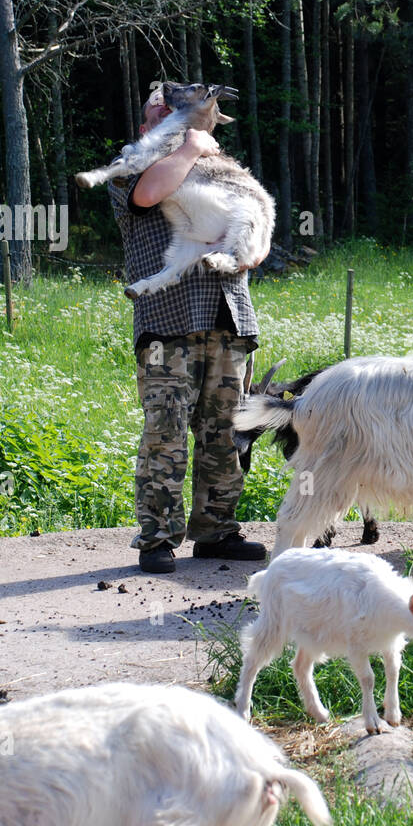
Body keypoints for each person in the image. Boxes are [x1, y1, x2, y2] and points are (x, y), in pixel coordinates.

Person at [106, 82, 270, 573]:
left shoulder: (218, 170)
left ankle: (217, 530)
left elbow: (256, 222)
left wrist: (252, 252)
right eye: (160, 111)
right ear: (145, 128)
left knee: (224, 430)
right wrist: (195, 144)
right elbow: (151, 192)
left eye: (176, 109)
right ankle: (157, 538)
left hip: (228, 318)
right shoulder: (130, 164)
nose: (171, 115)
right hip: (166, 323)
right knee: (166, 432)